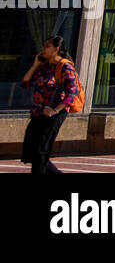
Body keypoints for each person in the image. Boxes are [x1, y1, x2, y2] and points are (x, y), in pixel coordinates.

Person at [20, 35, 81, 174]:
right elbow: (25, 83)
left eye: (47, 46)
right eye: (44, 45)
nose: (43, 49)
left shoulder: (65, 67)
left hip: (54, 114)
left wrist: (55, 110)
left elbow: (72, 91)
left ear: (56, 49)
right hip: (39, 112)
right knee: (32, 150)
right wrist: (36, 64)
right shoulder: (45, 66)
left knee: (41, 152)